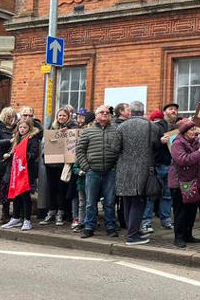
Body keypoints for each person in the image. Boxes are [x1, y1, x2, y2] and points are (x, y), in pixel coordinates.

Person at [115, 112, 162, 245]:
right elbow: (155, 146)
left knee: (127, 201)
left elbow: (115, 148)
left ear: (131, 113)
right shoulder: (151, 126)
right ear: (143, 112)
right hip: (143, 169)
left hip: (124, 169)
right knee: (138, 202)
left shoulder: (121, 126)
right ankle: (133, 235)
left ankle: (132, 231)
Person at [77, 105, 122, 238]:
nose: (104, 114)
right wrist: (86, 167)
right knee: (90, 202)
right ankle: (89, 227)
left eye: (107, 112)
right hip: (92, 172)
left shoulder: (116, 131)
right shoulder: (88, 131)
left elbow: (121, 150)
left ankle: (111, 227)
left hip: (110, 172)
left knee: (110, 202)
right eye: (101, 112)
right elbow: (80, 150)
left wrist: (115, 167)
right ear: (96, 116)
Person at [169, 119, 200, 248]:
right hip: (179, 182)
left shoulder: (196, 141)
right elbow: (183, 160)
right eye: (192, 129)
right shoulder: (177, 143)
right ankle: (178, 237)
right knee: (181, 210)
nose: (195, 132)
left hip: (192, 181)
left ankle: (188, 234)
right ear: (184, 132)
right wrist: (199, 152)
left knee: (191, 209)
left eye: (194, 129)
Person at [142, 103, 179, 233]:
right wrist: (160, 141)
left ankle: (166, 221)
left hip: (172, 166)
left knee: (167, 196)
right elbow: (148, 145)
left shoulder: (178, 128)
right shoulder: (156, 126)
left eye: (175, 109)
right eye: (170, 109)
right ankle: (145, 223)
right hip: (158, 165)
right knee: (151, 195)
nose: (173, 111)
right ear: (164, 112)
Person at [1, 119, 40, 231]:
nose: (22, 130)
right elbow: (13, 151)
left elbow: (33, 155)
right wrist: (8, 154)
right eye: (20, 127)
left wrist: (23, 154)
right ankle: (16, 218)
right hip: (16, 171)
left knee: (25, 197)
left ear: (30, 129)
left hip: (26, 172)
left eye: (25, 128)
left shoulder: (32, 139)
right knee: (16, 195)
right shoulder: (17, 139)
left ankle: (27, 220)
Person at [40, 108, 77, 226]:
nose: (61, 117)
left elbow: (74, 142)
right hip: (51, 164)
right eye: (59, 115)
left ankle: (60, 213)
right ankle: (51, 211)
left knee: (62, 189)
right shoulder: (52, 128)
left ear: (68, 117)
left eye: (64, 116)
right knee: (51, 188)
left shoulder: (72, 128)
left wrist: (66, 133)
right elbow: (47, 143)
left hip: (63, 164)